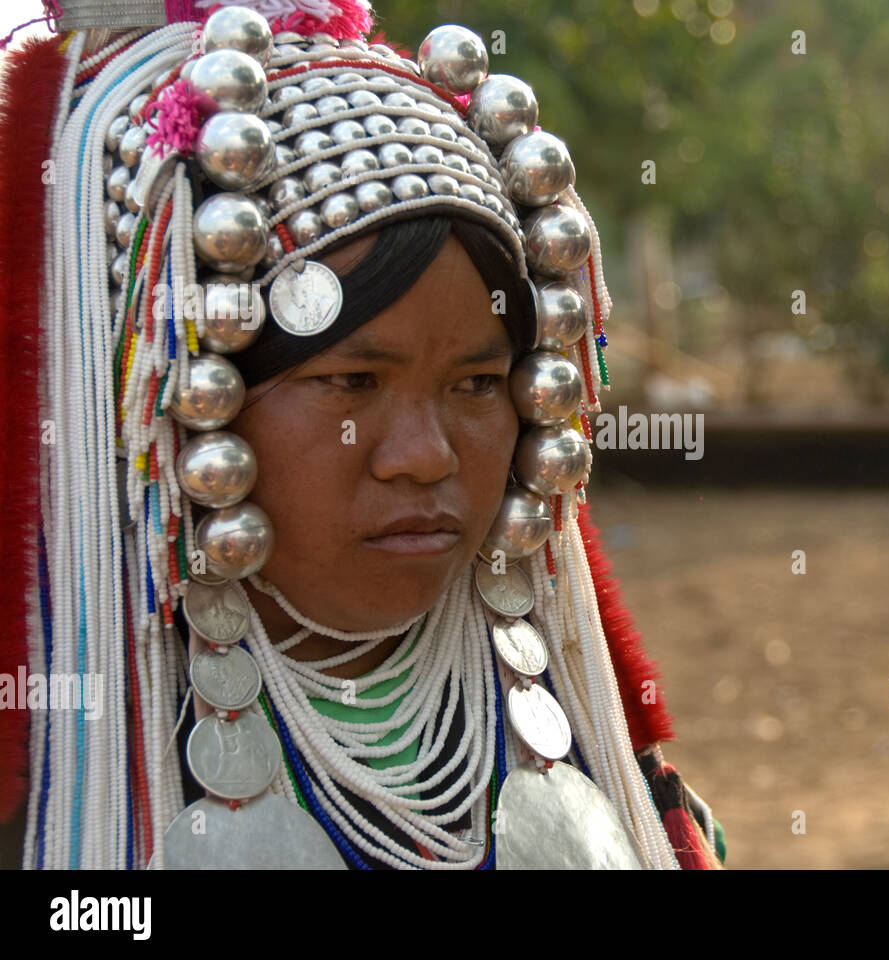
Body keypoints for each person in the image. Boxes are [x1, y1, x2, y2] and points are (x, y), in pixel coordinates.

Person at [0, 0, 723, 870]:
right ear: (181, 405)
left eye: (477, 384)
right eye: (352, 381)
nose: (424, 456)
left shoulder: (615, 774)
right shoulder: (69, 798)